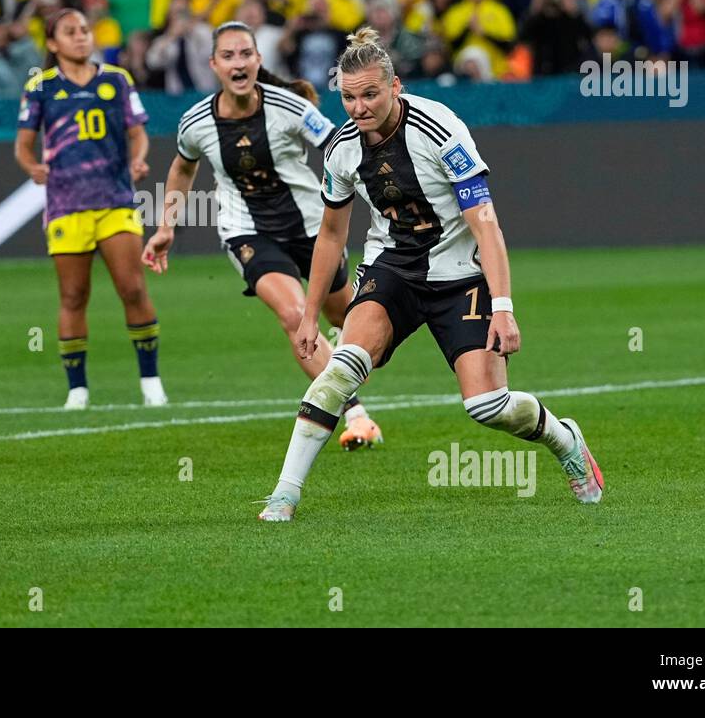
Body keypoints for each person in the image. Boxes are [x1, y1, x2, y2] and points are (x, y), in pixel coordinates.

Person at [257, 28, 604, 522]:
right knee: (341, 369)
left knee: (487, 407)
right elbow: (331, 234)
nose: (359, 107)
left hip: (461, 276)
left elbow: (486, 225)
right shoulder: (340, 149)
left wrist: (502, 309)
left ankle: (563, 437)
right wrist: (309, 315)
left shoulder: (439, 129)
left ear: (395, 87)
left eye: (370, 94)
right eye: (349, 97)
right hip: (391, 269)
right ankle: (284, 496)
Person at [143, 21, 384, 449]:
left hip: (313, 229)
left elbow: (336, 144)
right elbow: (183, 167)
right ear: (214, 64)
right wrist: (166, 226)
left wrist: (379, 197)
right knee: (295, 317)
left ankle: (351, 363)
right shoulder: (195, 122)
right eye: (229, 56)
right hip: (248, 233)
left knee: (344, 318)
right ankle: (357, 414)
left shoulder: (289, 107)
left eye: (246, 54)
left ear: (258, 60)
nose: (239, 63)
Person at [15, 8, 166, 410]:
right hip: (66, 205)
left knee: (132, 288)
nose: (82, 37)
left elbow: (138, 134)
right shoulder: (41, 86)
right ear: (52, 43)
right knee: (73, 295)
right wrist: (32, 167)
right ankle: (77, 389)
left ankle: (151, 381)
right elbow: (23, 144)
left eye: (84, 29)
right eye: (70, 32)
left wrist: (139, 159)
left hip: (115, 199)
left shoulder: (117, 79)